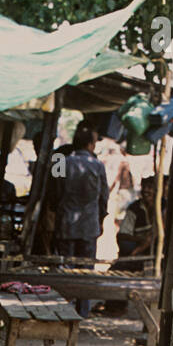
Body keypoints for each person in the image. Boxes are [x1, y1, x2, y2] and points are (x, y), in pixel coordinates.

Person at [54, 123, 109, 316]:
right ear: (90, 144)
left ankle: (62, 308)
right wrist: (101, 219)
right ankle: (82, 311)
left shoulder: (61, 161)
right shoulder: (98, 165)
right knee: (86, 269)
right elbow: (104, 197)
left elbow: (55, 192)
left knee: (65, 267)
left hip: (66, 222)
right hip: (89, 224)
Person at [116, 176, 156, 269]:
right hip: (138, 246)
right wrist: (141, 240)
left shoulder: (164, 206)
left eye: (150, 187)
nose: (146, 190)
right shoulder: (134, 208)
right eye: (144, 187)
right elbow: (122, 235)